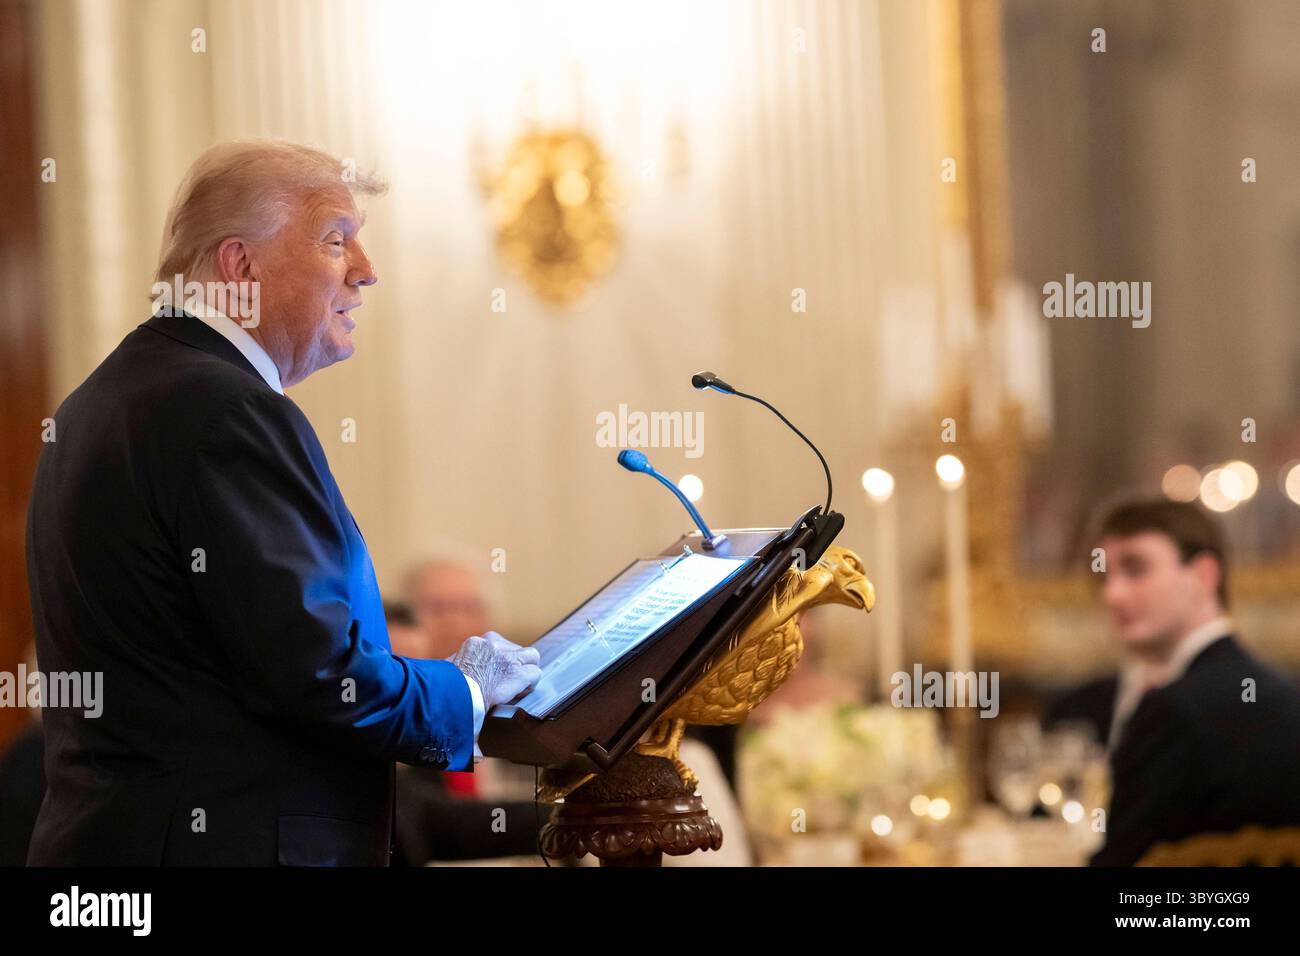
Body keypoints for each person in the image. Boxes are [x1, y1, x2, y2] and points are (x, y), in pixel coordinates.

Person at [24, 140, 540, 865]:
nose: (366, 270)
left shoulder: (102, 400)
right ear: (241, 266)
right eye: (336, 241)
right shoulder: (224, 409)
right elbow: (322, 676)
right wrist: (466, 689)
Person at [1068, 499, 1300, 866]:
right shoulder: (1285, 696)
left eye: (1136, 568)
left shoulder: (1175, 709)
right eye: (1103, 575)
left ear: (1204, 575)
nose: (1112, 595)